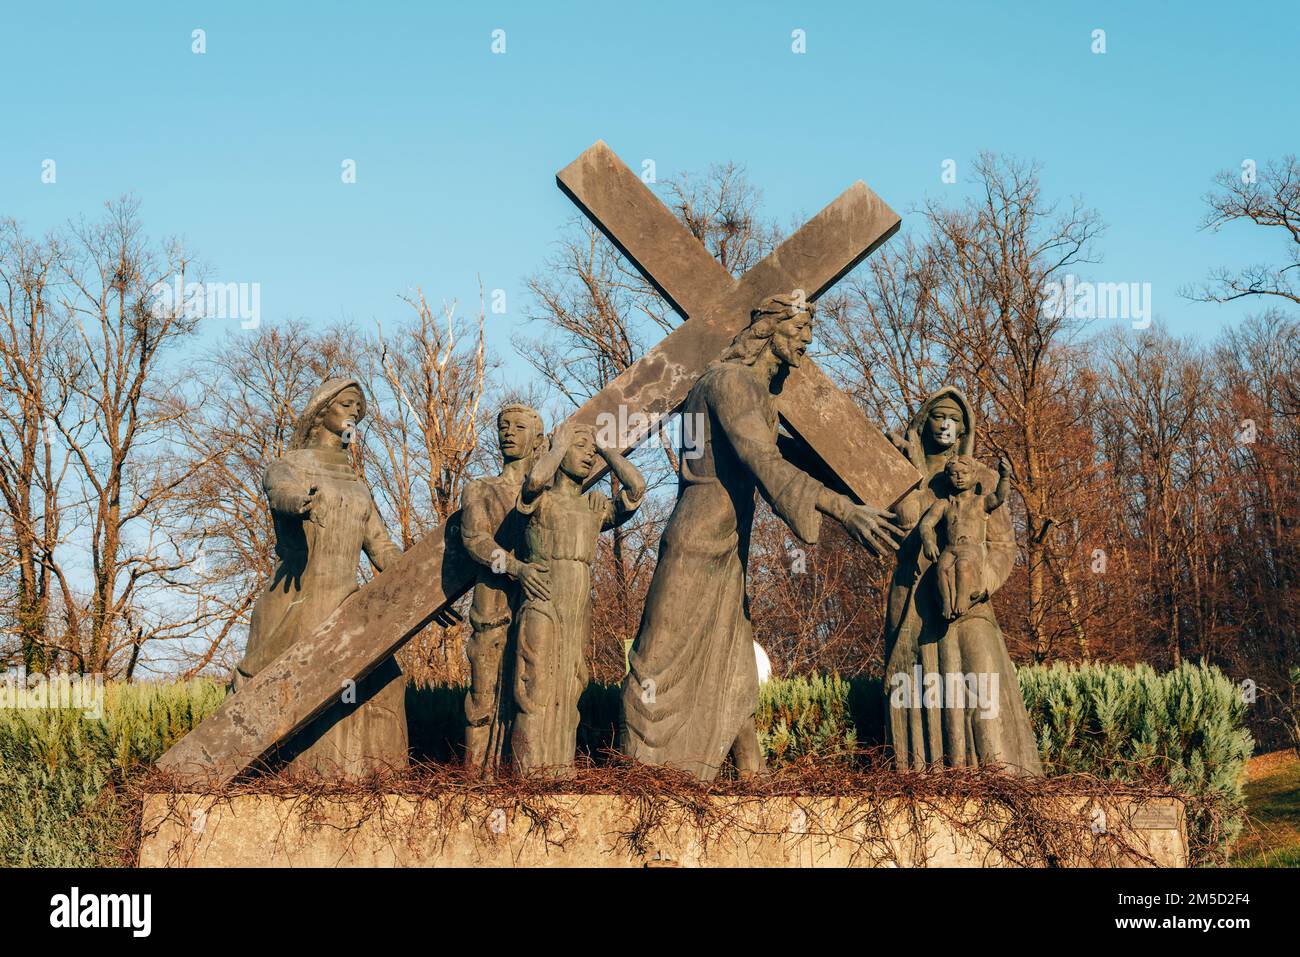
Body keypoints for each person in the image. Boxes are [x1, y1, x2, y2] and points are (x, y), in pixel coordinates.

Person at [620, 294, 901, 780]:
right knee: (657, 658)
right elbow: (763, 462)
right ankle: (640, 776)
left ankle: (752, 772)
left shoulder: (751, 392)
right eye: (799, 330)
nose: (807, 340)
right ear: (770, 330)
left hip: (729, 539)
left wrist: (882, 460)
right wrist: (844, 511)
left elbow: (792, 456)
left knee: (731, 657)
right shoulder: (728, 383)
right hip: (699, 533)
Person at [236, 378, 409, 776]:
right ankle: (305, 779)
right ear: (321, 413)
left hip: (346, 600)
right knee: (304, 689)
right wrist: (299, 503)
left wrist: (426, 586)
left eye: (358, 409)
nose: (353, 413)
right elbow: (279, 491)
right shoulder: (292, 465)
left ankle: (369, 780)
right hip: (301, 600)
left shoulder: (357, 483)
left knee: (384, 683)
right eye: (346, 404)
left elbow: (382, 548)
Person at [883, 388, 1042, 775]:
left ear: (964, 428)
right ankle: (923, 781)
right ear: (925, 422)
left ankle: (1002, 779)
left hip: (970, 597)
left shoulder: (982, 479)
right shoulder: (902, 471)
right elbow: (892, 525)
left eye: (954, 419)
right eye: (938, 416)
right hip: (914, 602)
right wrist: (898, 468)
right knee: (916, 690)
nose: (945, 424)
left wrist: (981, 584)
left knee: (981, 675)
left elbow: (1003, 544)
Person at [512, 423, 645, 775]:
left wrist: (606, 448)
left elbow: (636, 489)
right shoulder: (541, 499)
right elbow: (534, 483)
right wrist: (557, 448)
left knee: (572, 683)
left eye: (591, 450)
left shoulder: (593, 507)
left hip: (578, 600)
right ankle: (528, 770)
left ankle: (559, 766)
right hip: (543, 595)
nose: (587, 455)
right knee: (535, 682)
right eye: (580, 446)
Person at [459, 403, 549, 772]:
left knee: (530, 694)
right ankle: (476, 779)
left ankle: (525, 772)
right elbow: (475, 541)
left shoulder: (550, 494)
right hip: (493, 606)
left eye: (518, 427)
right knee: (483, 696)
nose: (508, 432)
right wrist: (515, 568)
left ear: (538, 439)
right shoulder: (480, 489)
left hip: (537, 606)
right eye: (502, 426)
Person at [918, 454, 1012, 621]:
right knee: (942, 569)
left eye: (964, 473)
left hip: (972, 548)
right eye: (954, 474)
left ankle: (962, 598)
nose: (959, 477)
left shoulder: (980, 502)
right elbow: (926, 524)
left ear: (974, 475)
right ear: (948, 477)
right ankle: (947, 603)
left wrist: (1005, 476)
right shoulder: (943, 504)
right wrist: (928, 541)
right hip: (950, 547)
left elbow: (999, 497)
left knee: (963, 565)